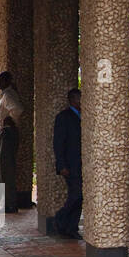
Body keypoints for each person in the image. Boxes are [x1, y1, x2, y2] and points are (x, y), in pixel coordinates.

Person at [52, 89, 83, 239]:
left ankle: (71, 227)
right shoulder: (63, 117)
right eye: (79, 99)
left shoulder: (83, 116)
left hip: (81, 164)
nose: (81, 102)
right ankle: (60, 218)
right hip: (70, 165)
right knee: (76, 194)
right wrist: (62, 164)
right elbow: (58, 143)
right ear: (72, 100)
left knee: (79, 196)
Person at [0, 71, 23, 214]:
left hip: (8, 134)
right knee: (1, 170)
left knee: (6, 170)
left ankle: (10, 204)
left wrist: (10, 118)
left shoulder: (9, 95)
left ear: (8, 81)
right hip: (4, 134)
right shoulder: (5, 94)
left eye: (2, 80)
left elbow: (18, 109)